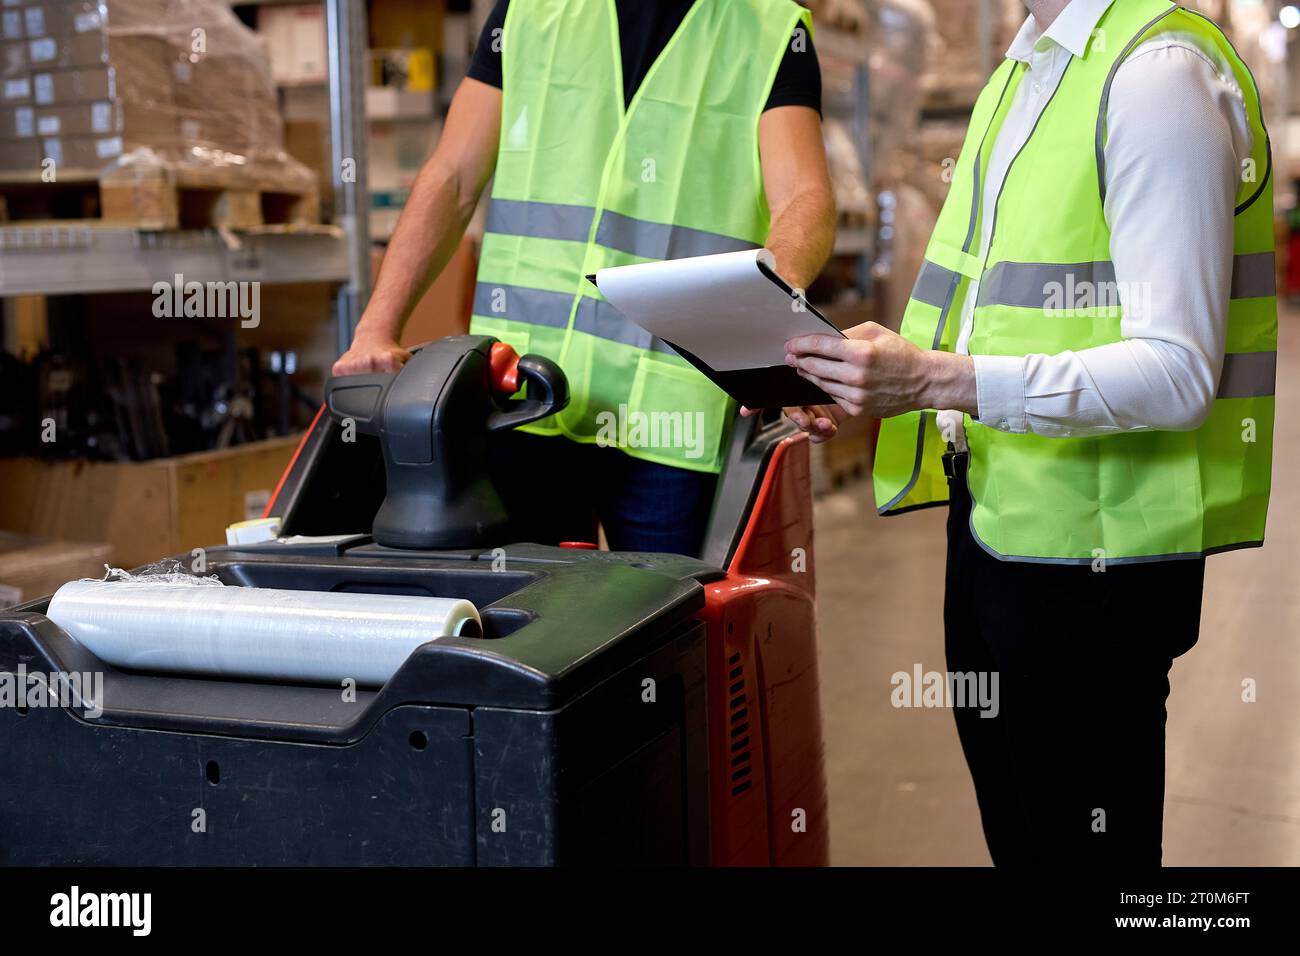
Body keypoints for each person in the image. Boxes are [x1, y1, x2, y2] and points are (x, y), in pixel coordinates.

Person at [770, 0, 1276, 865]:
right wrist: (873, 379)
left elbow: (1178, 370)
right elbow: (998, 319)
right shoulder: (1029, 67)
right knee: (1021, 831)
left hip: (1100, 553)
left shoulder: (1156, 76)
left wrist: (936, 379)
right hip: (995, 517)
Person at [334, 0, 836, 556]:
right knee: (524, 626)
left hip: (670, 415)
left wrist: (765, 331)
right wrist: (375, 329)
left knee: (663, 627)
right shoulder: (527, 13)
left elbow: (803, 197)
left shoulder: (765, 26)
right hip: (522, 396)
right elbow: (452, 178)